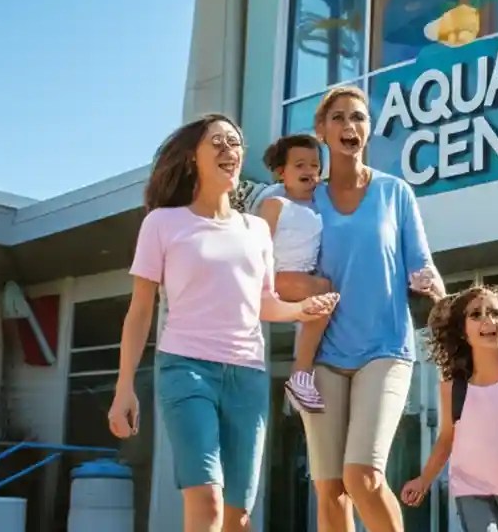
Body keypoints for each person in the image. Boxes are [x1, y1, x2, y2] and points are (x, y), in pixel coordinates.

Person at [107, 114, 339, 532]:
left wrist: (302, 310)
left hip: (248, 376)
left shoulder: (254, 230)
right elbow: (141, 309)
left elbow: (264, 303)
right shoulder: (162, 223)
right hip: (186, 370)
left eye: (235, 144)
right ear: (193, 158)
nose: (229, 151)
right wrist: (124, 387)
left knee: (238, 517)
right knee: (207, 502)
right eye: (217, 143)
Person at [287, 85, 445, 532]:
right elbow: (284, 275)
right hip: (321, 359)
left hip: (385, 348)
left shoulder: (396, 193)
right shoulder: (304, 200)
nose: (348, 126)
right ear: (321, 130)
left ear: (369, 130)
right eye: (337, 117)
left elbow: (423, 266)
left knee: (364, 477)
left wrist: (438, 295)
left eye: (357, 117)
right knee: (330, 489)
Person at [399, 285, 498, 532]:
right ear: (463, 331)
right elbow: (446, 440)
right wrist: (424, 480)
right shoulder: (452, 388)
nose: (488, 320)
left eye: (496, 313)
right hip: (470, 487)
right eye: (476, 315)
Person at [255, 133, 332, 413]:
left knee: (323, 298)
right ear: (281, 173)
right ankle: (300, 374)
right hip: (279, 276)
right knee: (323, 289)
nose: (309, 171)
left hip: (303, 278)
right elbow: (258, 249)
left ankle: (301, 380)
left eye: (314, 165)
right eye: (299, 165)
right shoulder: (276, 205)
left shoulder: (320, 206)